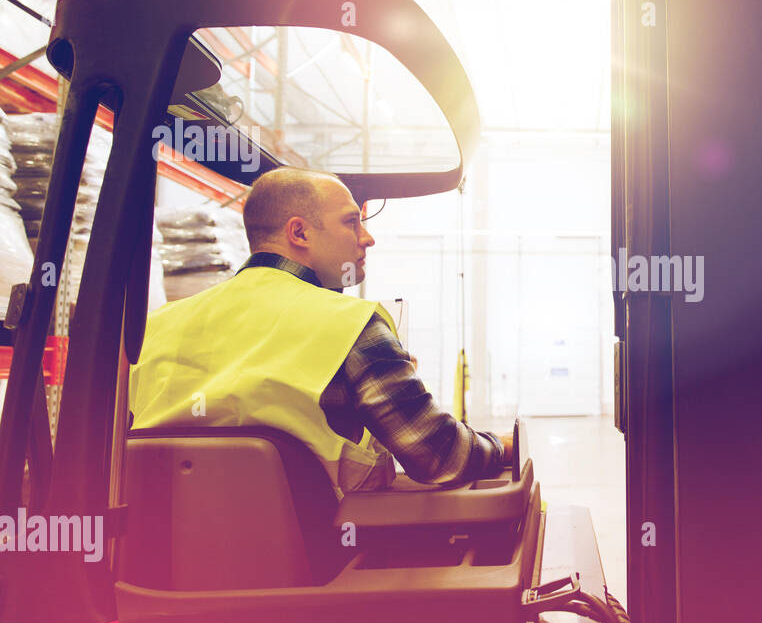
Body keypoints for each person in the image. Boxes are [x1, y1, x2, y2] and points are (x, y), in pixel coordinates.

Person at [128, 167, 511, 494]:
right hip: (315, 553)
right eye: (351, 221)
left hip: (161, 553)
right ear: (300, 233)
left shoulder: (154, 328)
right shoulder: (352, 324)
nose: (367, 238)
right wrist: (502, 445)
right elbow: (440, 457)